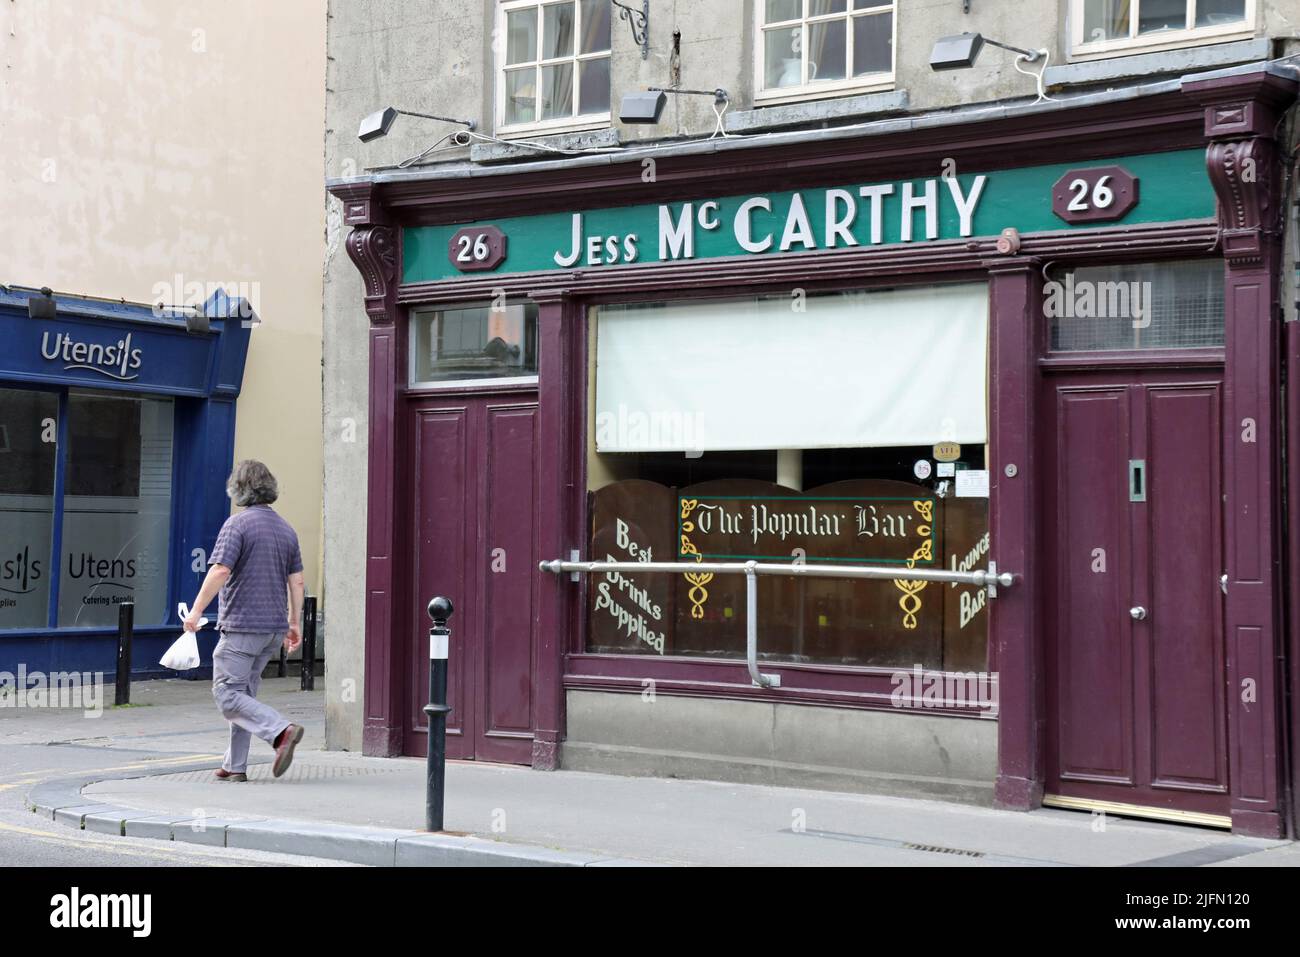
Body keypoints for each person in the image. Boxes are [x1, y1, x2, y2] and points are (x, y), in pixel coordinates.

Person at [184, 460, 305, 782]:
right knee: (244, 696)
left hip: (242, 627)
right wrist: (295, 624)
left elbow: (221, 570)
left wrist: (196, 611)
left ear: (238, 489)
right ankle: (236, 765)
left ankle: (281, 731)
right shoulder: (286, 529)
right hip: (272, 629)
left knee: (227, 694)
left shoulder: (237, 525)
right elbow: (297, 582)